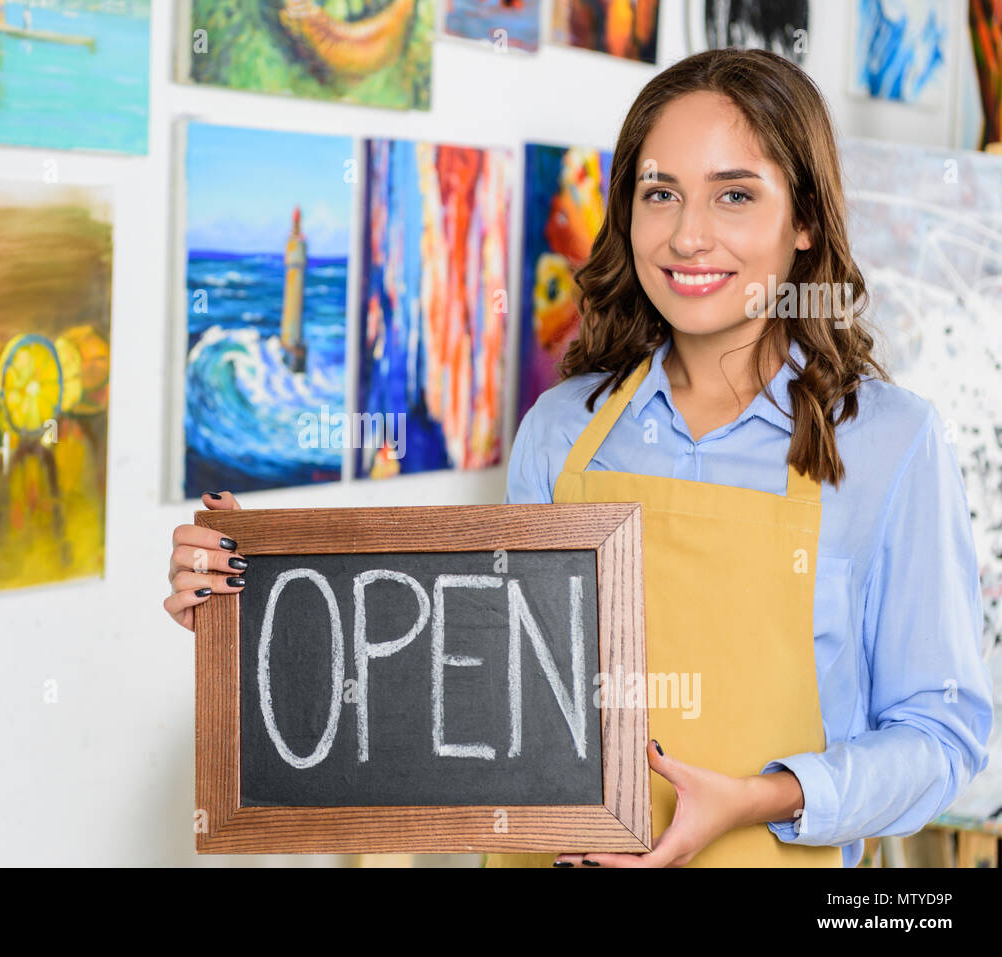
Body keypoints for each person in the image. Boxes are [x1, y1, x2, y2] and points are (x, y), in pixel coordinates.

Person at [165, 49, 994, 867]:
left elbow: (942, 737)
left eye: (734, 195)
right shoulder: (562, 429)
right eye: (659, 193)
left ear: (804, 221)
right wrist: (262, 593)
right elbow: (483, 685)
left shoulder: (891, 443)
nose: (689, 235)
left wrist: (763, 794)